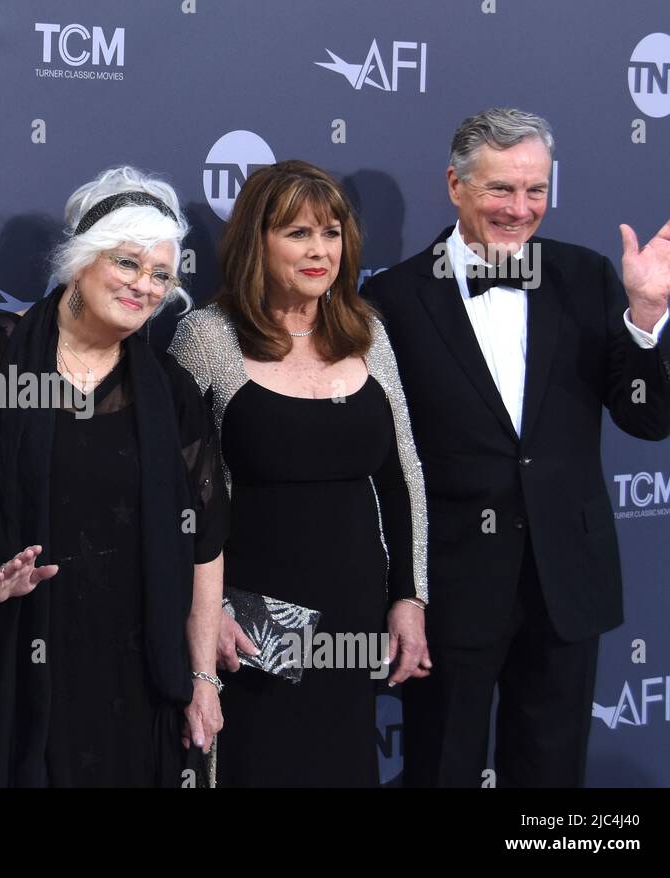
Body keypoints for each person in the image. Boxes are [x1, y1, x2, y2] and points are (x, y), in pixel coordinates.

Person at [361, 107, 670, 787]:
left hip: (565, 580)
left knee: (551, 776)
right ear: (454, 185)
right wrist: (403, 591)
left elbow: (648, 420)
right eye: (499, 190)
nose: (520, 209)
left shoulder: (589, 277)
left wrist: (647, 319)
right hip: (450, 586)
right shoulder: (391, 299)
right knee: (440, 766)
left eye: (535, 190)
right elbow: (379, 463)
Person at [0, 166, 228, 787]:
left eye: (161, 275)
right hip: (13, 650)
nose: (144, 287)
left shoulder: (168, 389)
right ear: (79, 260)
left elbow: (205, 540)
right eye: (126, 263)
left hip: (137, 669)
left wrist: (201, 678)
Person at [169, 160, 429, 787]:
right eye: (298, 234)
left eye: (332, 233)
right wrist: (207, 615)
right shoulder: (210, 337)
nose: (321, 251)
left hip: (354, 613)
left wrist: (409, 597)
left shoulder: (366, 331)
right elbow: (173, 494)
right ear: (257, 242)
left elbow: (403, 475)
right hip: (252, 620)